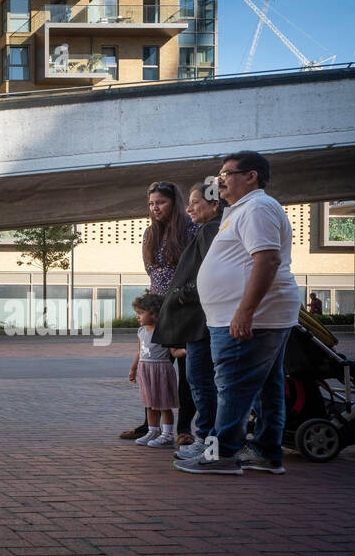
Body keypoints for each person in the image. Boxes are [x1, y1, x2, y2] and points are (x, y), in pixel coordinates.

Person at [175, 151, 300, 476]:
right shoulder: (243, 209)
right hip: (248, 315)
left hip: (252, 317)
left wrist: (245, 311)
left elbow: (267, 260)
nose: (219, 181)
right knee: (265, 388)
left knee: (232, 386)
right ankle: (266, 452)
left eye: (226, 174)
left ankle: (223, 454)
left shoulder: (258, 208)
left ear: (251, 176)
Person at [119, 182, 196, 440]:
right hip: (158, 311)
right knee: (151, 368)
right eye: (151, 203)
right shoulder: (150, 233)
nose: (155, 208)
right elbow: (151, 269)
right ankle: (149, 427)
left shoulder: (191, 229)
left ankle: (183, 429)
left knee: (186, 373)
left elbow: (196, 268)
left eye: (161, 202)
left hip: (184, 310)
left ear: (175, 202)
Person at [159, 182, 227, 462]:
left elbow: (213, 272)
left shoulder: (212, 230)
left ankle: (207, 443)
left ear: (214, 204)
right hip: (204, 318)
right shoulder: (211, 229)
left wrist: (183, 295)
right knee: (202, 381)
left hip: (201, 321)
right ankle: (209, 442)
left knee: (200, 381)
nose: (188, 208)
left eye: (195, 202)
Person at [128, 293, 178, 447]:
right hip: (145, 370)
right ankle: (153, 430)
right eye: (137, 313)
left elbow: (174, 351)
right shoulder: (141, 331)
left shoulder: (165, 331)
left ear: (155, 314)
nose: (138, 316)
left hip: (161, 370)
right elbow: (140, 351)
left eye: (141, 313)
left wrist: (185, 351)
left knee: (163, 403)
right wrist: (133, 368)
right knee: (149, 403)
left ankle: (168, 434)